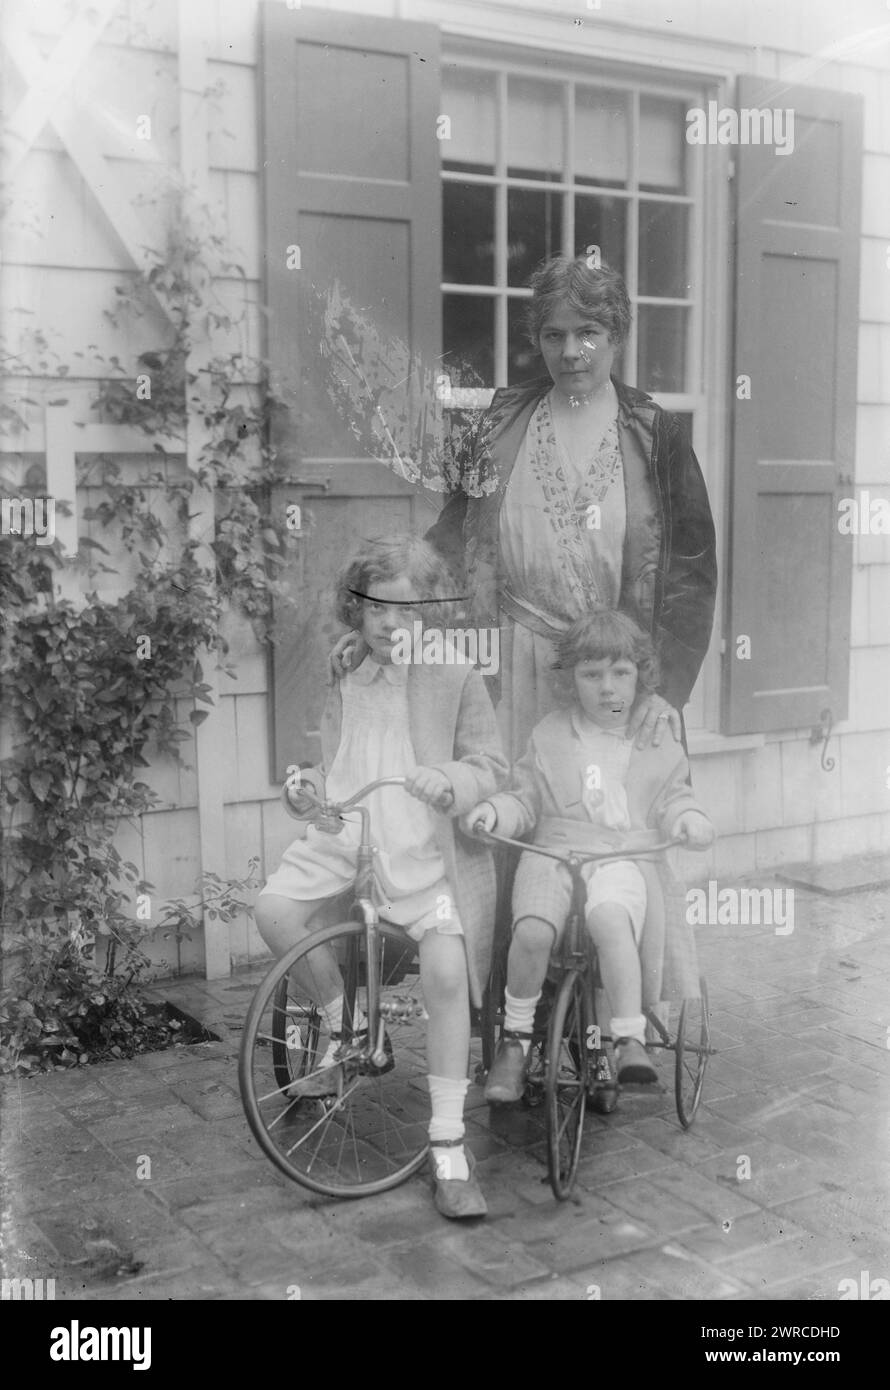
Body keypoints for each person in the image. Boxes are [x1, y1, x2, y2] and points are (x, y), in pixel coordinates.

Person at [254, 535, 508, 1219]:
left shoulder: (454, 673)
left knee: (447, 974)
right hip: (351, 835)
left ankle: (449, 1142)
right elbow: (326, 758)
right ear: (356, 611)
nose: (392, 625)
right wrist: (305, 790)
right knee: (274, 910)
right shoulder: (345, 668)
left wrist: (449, 777)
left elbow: (491, 765)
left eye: (408, 611)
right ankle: (349, 1019)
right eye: (376, 611)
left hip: (426, 853)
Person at [425, 255, 718, 761]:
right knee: (514, 812)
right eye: (553, 336)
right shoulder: (500, 426)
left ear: (616, 337)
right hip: (516, 671)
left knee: (604, 822)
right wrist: (377, 621)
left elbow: (692, 575)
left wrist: (667, 688)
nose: (571, 352)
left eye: (588, 333)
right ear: (537, 340)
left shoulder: (656, 435)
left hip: (614, 677)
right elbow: (447, 546)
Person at [465, 610, 714, 1102]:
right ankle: (514, 1043)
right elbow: (525, 796)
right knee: (533, 928)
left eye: (621, 673)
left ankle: (626, 1039)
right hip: (555, 849)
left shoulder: (655, 736)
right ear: (571, 679)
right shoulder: (551, 734)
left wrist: (688, 819)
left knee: (610, 918)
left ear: (639, 676)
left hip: (622, 856)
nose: (607, 689)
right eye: (591, 674)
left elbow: (674, 797)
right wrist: (496, 811)